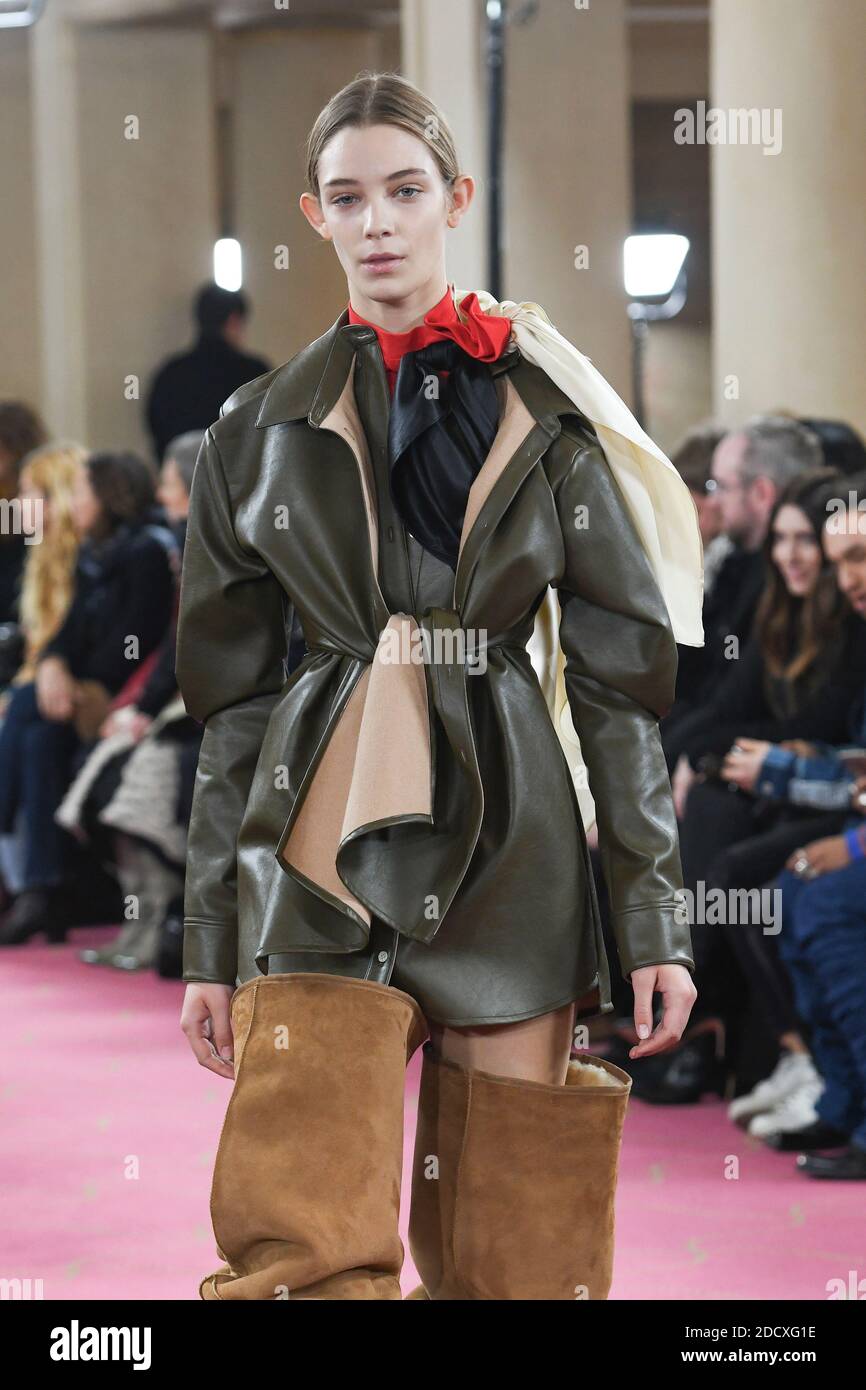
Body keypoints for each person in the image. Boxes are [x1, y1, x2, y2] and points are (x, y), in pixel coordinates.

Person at [176, 71, 700, 1302]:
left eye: (404, 191)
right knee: (298, 1241)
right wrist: (209, 938)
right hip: (314, 837)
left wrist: (654, 923)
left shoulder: (554, 418)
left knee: (516, 1252)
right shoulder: (251, 431)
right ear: (313, 214)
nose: (377, 223)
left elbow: (621, 696)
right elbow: (231, 705)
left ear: (453, 199)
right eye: (348, 196)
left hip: (512, 848)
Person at [0, 451, 176, 944]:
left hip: (121, 695)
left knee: (26, 705)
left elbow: (134, 642)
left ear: (108, 496)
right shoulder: (95, 554)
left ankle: (34, 877)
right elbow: (68, 632)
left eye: (80, 492)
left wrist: (69, 682)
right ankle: (44, 892)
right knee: (36, 740)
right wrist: (55, 664)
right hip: (83, 693)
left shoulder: (146, 552)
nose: (71, 503)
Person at [664, 415, 825, 748]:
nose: (715, 501)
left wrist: (677, 755)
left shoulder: (790, 579)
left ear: (762, 492)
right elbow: (692, 673)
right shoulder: (736, 564)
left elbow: (738, 701)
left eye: (720, 486)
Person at [145, 284, 271, 463]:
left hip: (183, 479)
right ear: (234, 320)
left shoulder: (170, 374)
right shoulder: (254, 373)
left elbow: (157, 430)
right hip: (237, 480)